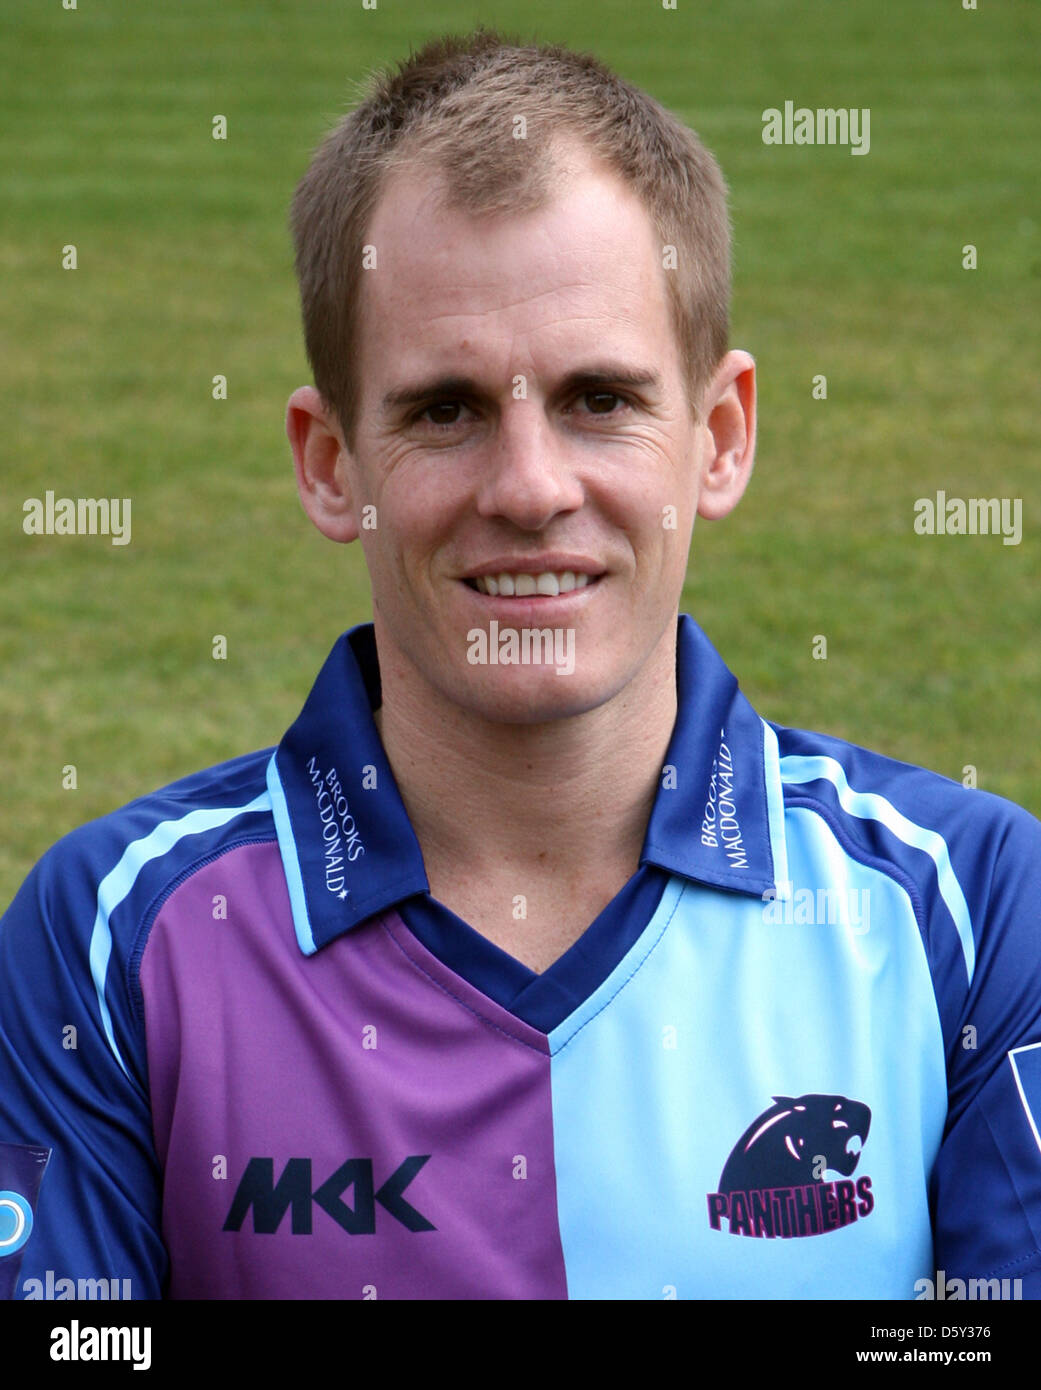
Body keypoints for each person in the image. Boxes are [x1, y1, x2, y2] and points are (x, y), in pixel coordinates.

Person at [2, 29, 1039, 1302]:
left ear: (719, 436)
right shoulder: (112, 941)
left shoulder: (975, 911)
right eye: (447, 409)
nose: (532, 487)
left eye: (600, 397)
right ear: (331, 464)